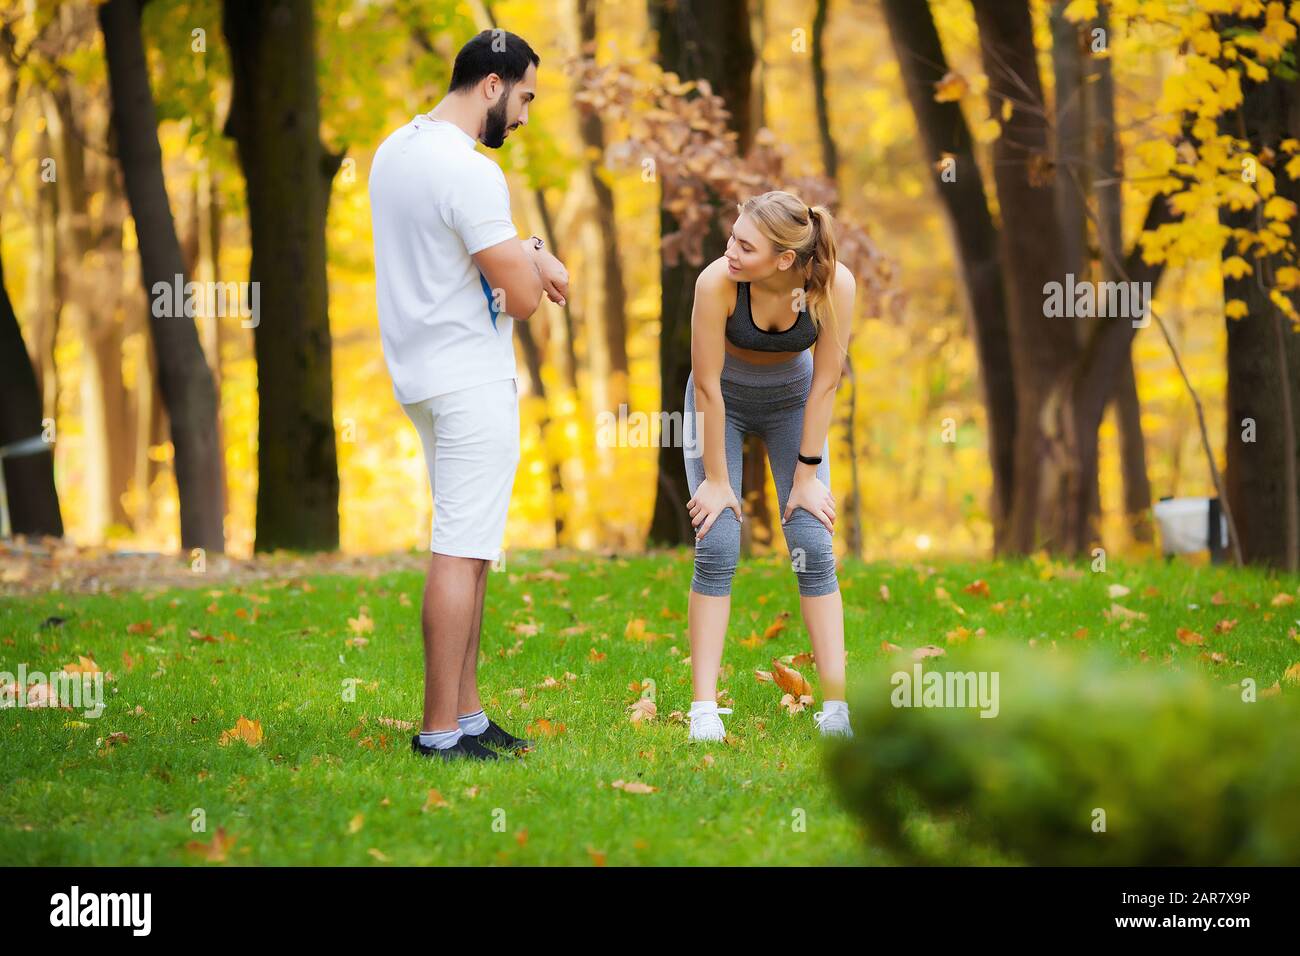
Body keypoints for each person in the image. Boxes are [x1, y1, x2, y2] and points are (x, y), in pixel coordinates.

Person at [368, 29, 569, 761]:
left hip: (419, 374)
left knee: (474, 546)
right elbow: (518, 298)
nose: (524, 115)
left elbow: (465, 256)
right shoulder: (473, 172)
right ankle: (439, 731)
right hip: (469, 375)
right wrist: (536, 262)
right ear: (493, 84)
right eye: (525, 98)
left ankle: (470, 714)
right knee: (460, 550)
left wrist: (530, 254)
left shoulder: (396, 151)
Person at [683, 189, 856, 742]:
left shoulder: (833, 287)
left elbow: (825, 382)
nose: (728, 250)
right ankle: (704, 709)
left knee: (814, 541)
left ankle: (835, 709)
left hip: (792, 404)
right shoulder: (717, 283)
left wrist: (806, 476)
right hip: (719, 405)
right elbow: (708, 387)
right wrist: (716, 480)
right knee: (717, 540)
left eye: (744, 245)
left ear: (785, 260)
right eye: (732, 236)